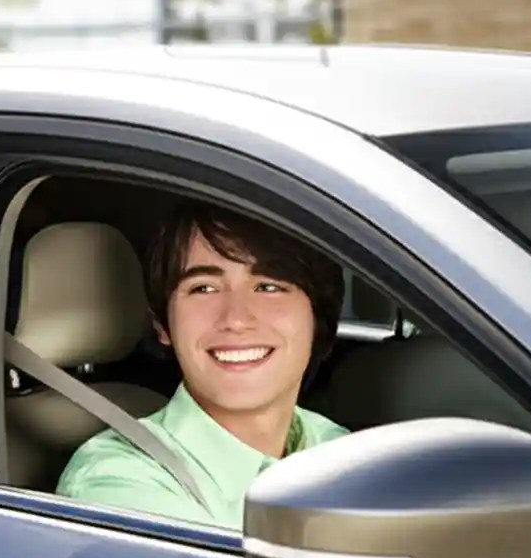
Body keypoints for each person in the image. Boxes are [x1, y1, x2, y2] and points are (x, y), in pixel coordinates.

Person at [57, 201, 349, 528]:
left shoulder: (339, 448)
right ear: (162, 325)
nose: (236, 319)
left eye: (268, 287)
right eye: (203, 288)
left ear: (316, 317)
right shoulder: (117, 481)